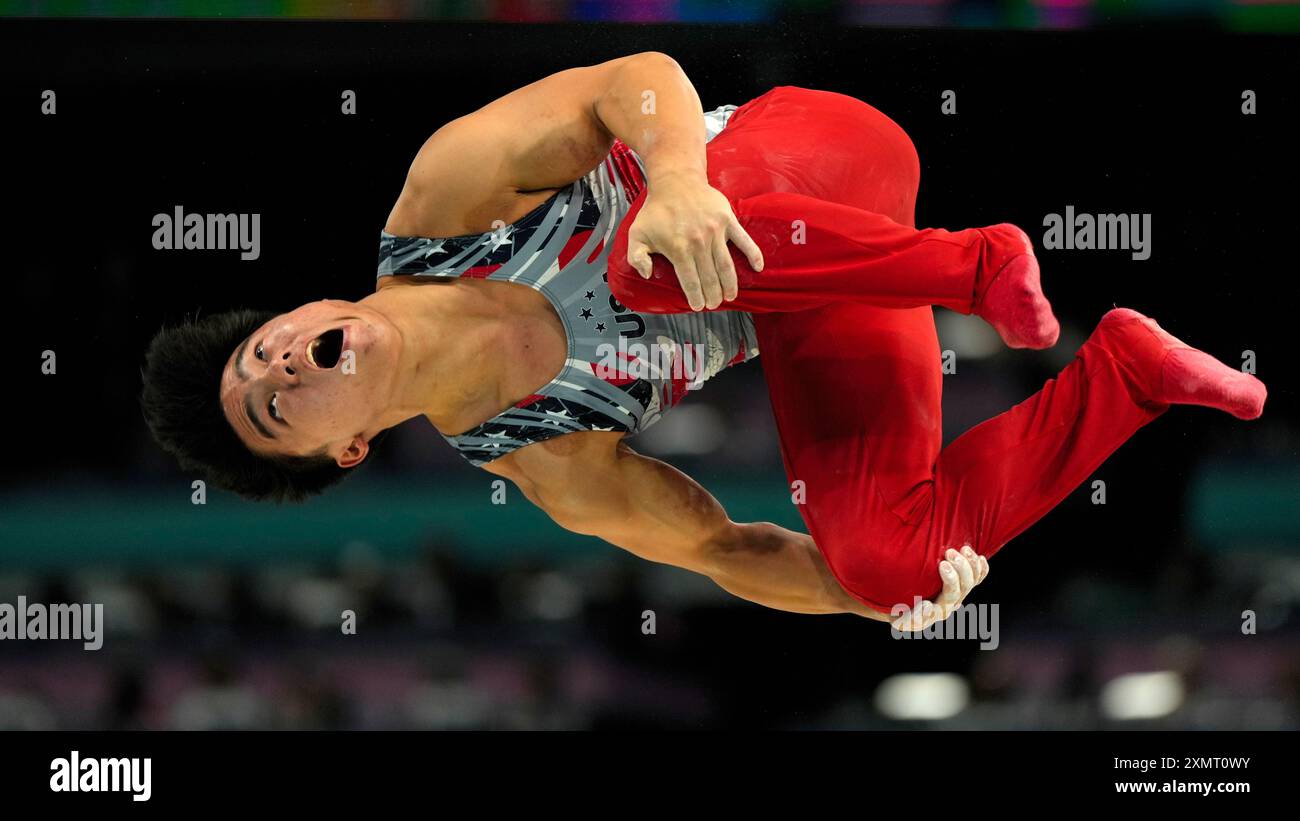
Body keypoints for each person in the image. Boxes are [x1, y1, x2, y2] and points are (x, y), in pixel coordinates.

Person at [141, 53, 1266, 631]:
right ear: (343, 453)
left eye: (263, 351)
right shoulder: (548, 458)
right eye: (274, 405)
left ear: (291, 315)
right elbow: (731, 550)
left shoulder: (446, 202)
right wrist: (885, 599)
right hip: (833, 304)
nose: (281, 364)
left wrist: (675, 179)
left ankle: (976, 265)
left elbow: (639, 80)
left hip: (816, 154)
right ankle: (1128, 370)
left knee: (647, 258)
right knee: (884, 557)